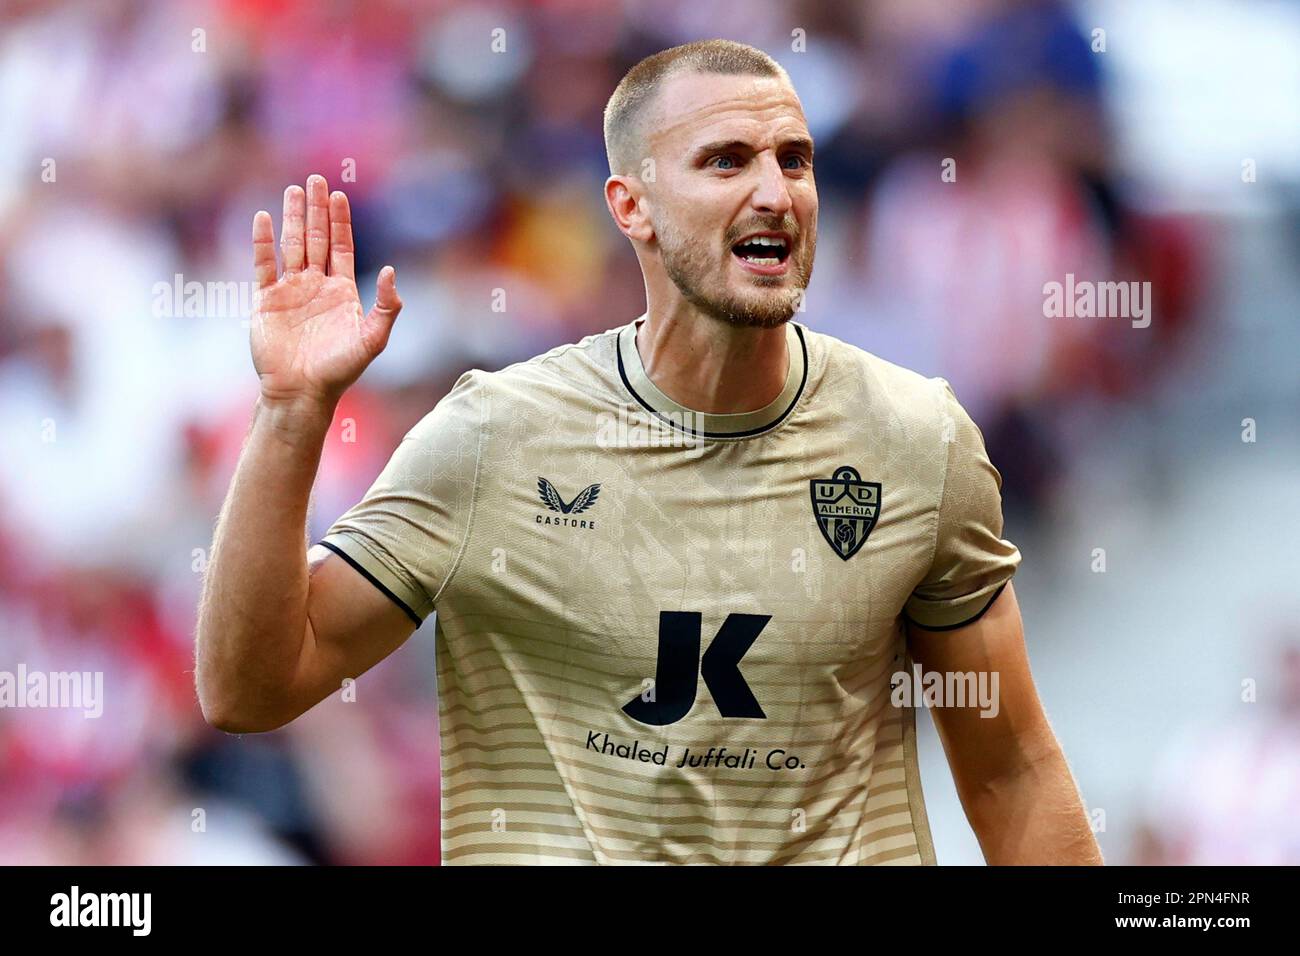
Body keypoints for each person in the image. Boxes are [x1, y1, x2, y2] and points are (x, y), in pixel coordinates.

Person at [196, 39, 1102, 865]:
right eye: (726, 162)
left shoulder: (917, 439)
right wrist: (290, 414)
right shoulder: (494, 438)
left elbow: (1011, 771)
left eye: (795, 160)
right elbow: (251, 689)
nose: (775, 193)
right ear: (632, 206)